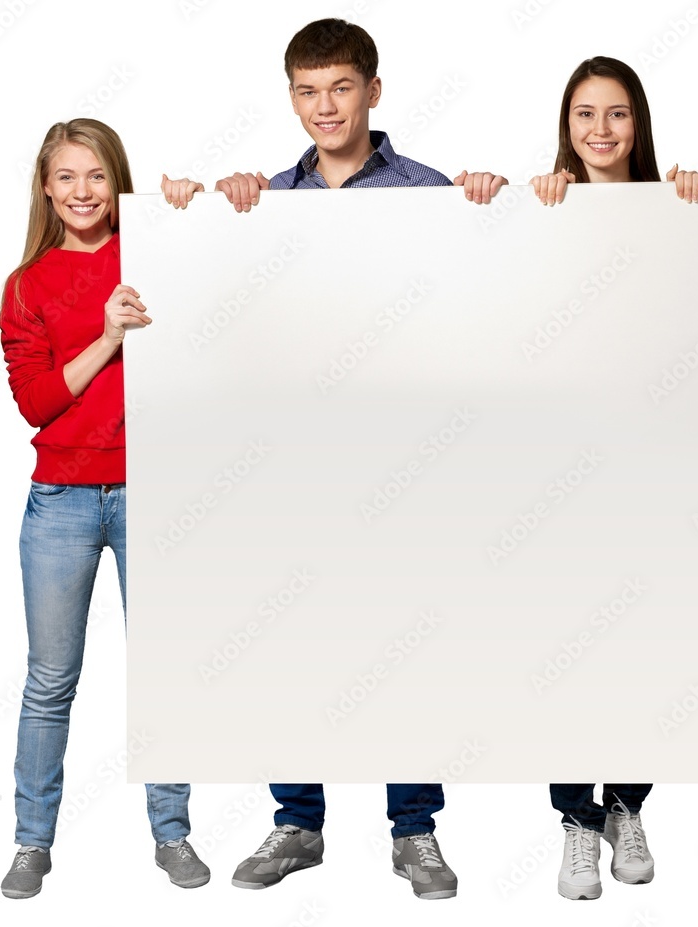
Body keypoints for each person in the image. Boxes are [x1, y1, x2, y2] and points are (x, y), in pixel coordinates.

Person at [162, 18, 466, 900]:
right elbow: (220, 309)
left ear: (373, 90)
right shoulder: (262, 201)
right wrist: (191, 214)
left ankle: (414, 830)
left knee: (402, 639)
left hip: (402, 454)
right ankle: (298, 819)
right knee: (290, 637)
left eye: (340, 87)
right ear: (290, 97)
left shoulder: (428, 191)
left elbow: (473, 310)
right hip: (291, 460)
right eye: (306, 91)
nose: (324, 106)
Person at [501, 56, 698, 900]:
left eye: (617, 114)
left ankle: (626, 802)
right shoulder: (541, 210)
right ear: (567, 123)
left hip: (650, 459)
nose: (600, 130)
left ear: (639, 124)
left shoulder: (681, 207)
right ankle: (576, 819)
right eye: (585, 113)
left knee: (640, 640)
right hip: (557, 466)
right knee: (562, 641)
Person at [0, 118, 209, 899]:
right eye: (67, 178)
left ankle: (173, 832)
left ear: (115, 182)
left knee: (161, 671)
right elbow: (37, 401)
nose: (82, 192)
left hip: (153, 487)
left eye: (97, 176)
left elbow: (219, 292)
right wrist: (111, 335)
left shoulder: (149, 253)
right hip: (60, 500)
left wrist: (188, 207)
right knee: (50, 679)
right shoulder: (27, 285)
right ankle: (30, 841)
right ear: (46, 189)